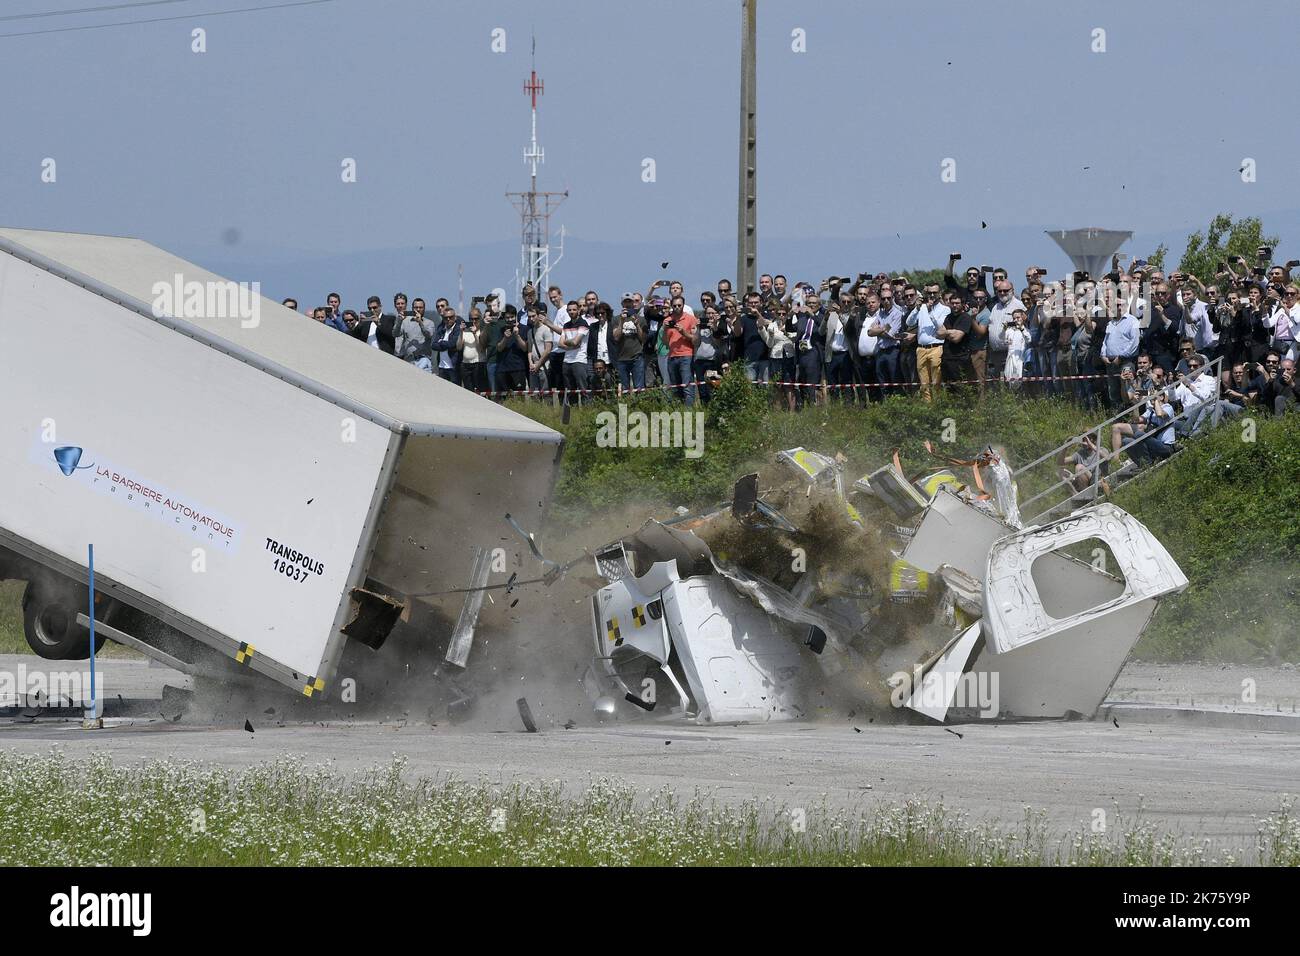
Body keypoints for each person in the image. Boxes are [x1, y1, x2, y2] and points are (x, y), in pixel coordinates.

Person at [662, 295, 699, 405]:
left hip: (686, 355)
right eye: (675, 306)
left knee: (687, 387)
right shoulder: (668, 320)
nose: (677, 307)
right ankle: (678, 412)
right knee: (675, 387)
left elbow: (695, 339)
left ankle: (689, 413)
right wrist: (664, 329)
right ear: (672, 306)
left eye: (679, 305)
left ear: (683, 305)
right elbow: (665, 342)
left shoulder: (691, 318)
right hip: (672, 356)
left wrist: (683, 332)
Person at [612, 297, 647, 393]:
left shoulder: (641, 319)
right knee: (624, 389)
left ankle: (640, 406)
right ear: (622, 304)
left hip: (637, 357)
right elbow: (616, 337)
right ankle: (625, 408)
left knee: (639, 388)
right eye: (625, 302)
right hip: (621, 358)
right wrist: (621, 321)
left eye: (629, 302)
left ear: (633, 304)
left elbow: (643, 339)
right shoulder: (615, 319)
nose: (627, 305)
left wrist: (637, 325)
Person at [460, 310, 487, 393]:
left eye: (476, 319)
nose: (473, 321)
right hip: (465, 364)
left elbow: (481, 349)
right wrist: (461, 332)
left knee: (480, 389)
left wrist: (475, 334)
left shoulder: (483, 331)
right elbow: (458, 347)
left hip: (479, 363)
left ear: (481, 319)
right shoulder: (465, 332)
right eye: (471, 319)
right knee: (468, 391)